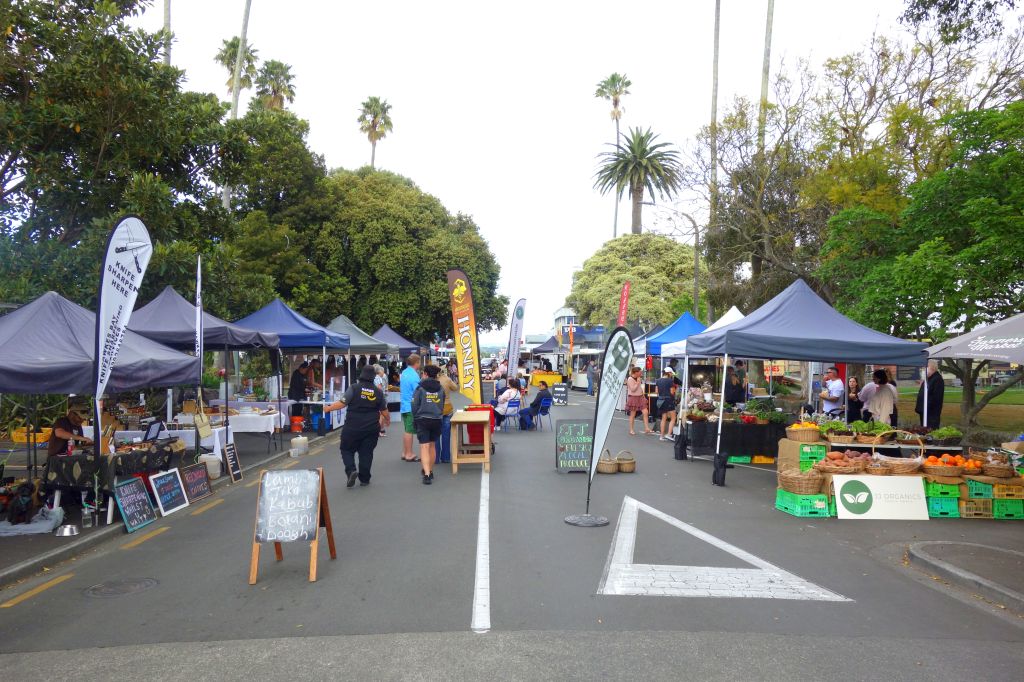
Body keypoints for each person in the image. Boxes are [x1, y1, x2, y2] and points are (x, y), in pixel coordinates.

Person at [338, 366, 388, 488]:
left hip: (352, 425)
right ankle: (365, 479)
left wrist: (328, 408)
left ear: (361, 374)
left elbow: (342, 403)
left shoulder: (354, 388)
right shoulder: (378, 391)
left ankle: (351, 470)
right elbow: (384, 410)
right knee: (366, 452)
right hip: (371, 427)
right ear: (373, 377)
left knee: (346, 449)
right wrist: (388, 419)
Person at [412, 365, 446, 485]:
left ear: (425, 374)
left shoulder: (420, 388)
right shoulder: (441, 388)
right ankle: (430, 470)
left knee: (424, 447)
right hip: (436, 419)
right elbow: (442, 405)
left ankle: (426, 475)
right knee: (432, 446)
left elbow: (415, 405)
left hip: (422, 419)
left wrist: (415, 417)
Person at [399, 353, 422, 462]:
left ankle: (405, 452)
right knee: (409, 431)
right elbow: (418, 391)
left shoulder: (404, 372)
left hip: (404, 404)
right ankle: (409, 454)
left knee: (407, 430)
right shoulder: (414, 375)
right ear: (417, 362)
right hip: (411, 405)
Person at [436, 368, 459, 462]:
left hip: (435, 408)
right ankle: (445, 457)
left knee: (435, 435)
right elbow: (455, 388)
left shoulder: (430, 380)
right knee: (446, 434)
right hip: (447, 407)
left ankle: (435, 458)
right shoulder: (446, 379)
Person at [915, 360, 945, 430]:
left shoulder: (937, 379)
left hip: (931, 413)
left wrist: (927, 407)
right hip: (924, 411)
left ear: (932, 367)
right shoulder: (929, 378)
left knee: (930, 430)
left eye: (926, 367)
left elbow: (936, 398)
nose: (923, 370)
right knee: (924, 430)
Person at [625, 367, 653, 436]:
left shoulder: (639, 378)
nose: (641, 373)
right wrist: (637, 382)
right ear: (636, 372)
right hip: (633, 397)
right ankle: (631, 429)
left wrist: (643, 396)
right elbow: (633, 389)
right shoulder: (630, 379)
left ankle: (646, 428)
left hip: (640, 397)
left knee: (645, 412)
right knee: (633, 414)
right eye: (640, 372)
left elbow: (640, 389)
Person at [655, 367, 677, 442]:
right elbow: (672, 392)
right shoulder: (670, 381)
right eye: (671, 373)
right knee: (673, 418)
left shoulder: (658, 380)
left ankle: (661, 436)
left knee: (663, 418)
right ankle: (668, 434)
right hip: (668, 400)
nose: (671, 375)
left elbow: (656, 391)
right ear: (669, 373)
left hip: (660, 400)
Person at [372, 364, 390, 436]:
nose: (383, 372)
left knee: (377, 414)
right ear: (379, 371)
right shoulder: (378, 378)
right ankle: (378, 431)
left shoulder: (373, 377)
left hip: (373, 398)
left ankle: (380, 430)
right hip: (379, 398)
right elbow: (379, 389)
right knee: (381, 415)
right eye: (382, 371)